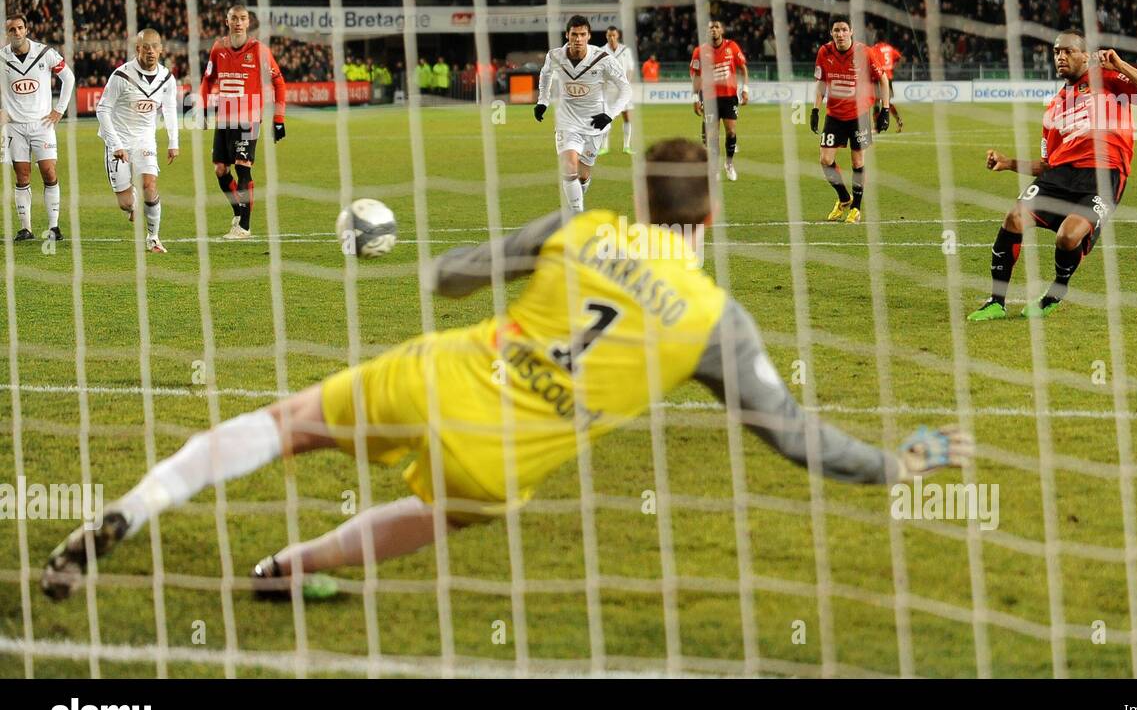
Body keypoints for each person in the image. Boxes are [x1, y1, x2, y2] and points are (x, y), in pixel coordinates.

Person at [40, 138, 972, 602]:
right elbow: (794, 437)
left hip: (442, 373)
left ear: (640, 196)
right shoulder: (715, 324)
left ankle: (131, 508)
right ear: (710, 222)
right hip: (507, 452)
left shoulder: (586, 228)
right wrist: (899, 461)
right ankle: (291, 567)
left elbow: (452, 276)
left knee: (287, 424)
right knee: (452, 510)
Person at [968, 29, 1137, 320]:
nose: (1060, 57)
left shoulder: (1110, 81)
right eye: (1056, 52)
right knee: (1014, 218)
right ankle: (996, 301)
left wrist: (1121, 64)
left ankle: (1056, 292)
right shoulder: (1054, 108)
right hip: (1060, 176)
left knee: (1067, 237)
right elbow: (1046, 164)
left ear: (1085, 55)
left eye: (1067, 51)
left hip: (1103, 176)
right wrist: (1008, 162)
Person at [198, 5, 287, 240]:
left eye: (243, 19)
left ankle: (244, 227)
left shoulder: (259, 50)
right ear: (227, 21)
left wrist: (279, 119)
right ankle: (238, 211)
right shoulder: (219, 48)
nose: (238, 22)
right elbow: (207, 80)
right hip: (225, 118)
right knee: (220, 169)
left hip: (248, 119)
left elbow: (279, 83)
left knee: (242, 166)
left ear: (249, 23)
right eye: (234, 18)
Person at [95, 29, 180, 253]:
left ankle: (153, 238)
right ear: (137, 49)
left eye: (154, 46)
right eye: (145, 47)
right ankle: (133, 204)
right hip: (119, 141)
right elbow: (102, 110)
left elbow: (170, 110)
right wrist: (115, 144)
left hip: (145, 140)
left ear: (161, 49)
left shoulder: (167, 79)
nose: (150, 51)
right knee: (125, 203)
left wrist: (173, 141)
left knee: (150, 186)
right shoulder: (121, 76)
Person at [535, 14, 631, 213]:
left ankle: (575, 202)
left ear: (589, 36)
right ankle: (576, 216)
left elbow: (626, 89)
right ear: (567, 35)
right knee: (569, 167)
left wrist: (610, 114)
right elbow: (545, 75)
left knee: (583, 175)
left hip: (594, 123)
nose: (578, 39)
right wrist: (542, 101)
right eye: (574, 34)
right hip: (567, 120)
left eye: (582, 34)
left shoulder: (603, 60)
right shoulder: (554, 56)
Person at [1, 12, 74, 242]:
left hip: (42, 124)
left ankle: (53, 227)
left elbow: (69, 78)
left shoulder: (44, 53)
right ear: (7, 33)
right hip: (15, 126)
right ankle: (26, 228)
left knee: (49, 171)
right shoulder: (2, 58)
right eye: (12, 29)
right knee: (22, 176)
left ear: (27, 29)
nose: (17, 33)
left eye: (20, 28)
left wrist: (59, 110)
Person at [811, 19, 888, 224]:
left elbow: (883, 79)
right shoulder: (824, 52)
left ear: (852, 31)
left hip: (859, 115)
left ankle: (856, 208)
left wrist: (885, 110)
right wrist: (815, 110)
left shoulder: (865, 53)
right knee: (825, 160)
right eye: (836, 30)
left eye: (844, 29)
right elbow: (821, 83)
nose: (840, 34)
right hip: (834, 115)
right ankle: (844, 198)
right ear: (831, 33)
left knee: (857, 162)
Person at [690, 20, 748, 180]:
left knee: (731, 132)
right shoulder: (699, 51)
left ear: (722, 30)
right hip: (710, 98)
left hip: (729, 97)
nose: (713, 30)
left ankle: (729, 164)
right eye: (710, 28)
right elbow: (696, 75)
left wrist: (745, 89)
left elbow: (743, 68)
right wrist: (695, 97)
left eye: (716, 27)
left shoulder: (732, 47)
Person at [596, 26, 637, 155]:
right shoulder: (602, 51)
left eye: (613, 35)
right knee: (606, 117)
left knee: (627, 117)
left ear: (618, 35)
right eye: (609, 36)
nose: (611, 38)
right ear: (606, 36)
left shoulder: (626, 50)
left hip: (623, 89)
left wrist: (627, 83)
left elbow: (631, 69)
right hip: (608, 90)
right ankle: (604, 147)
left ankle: (626, 146)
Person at [870, 38, 904, 131]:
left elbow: (870, 61)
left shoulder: (875, 48)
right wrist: (892, 67)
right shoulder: (889, 48)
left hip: (879, 78)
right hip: (889, 78)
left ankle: (876, 126)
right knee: (887, 102)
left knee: (877, 102)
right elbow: (899, 58)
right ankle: (898, 120)